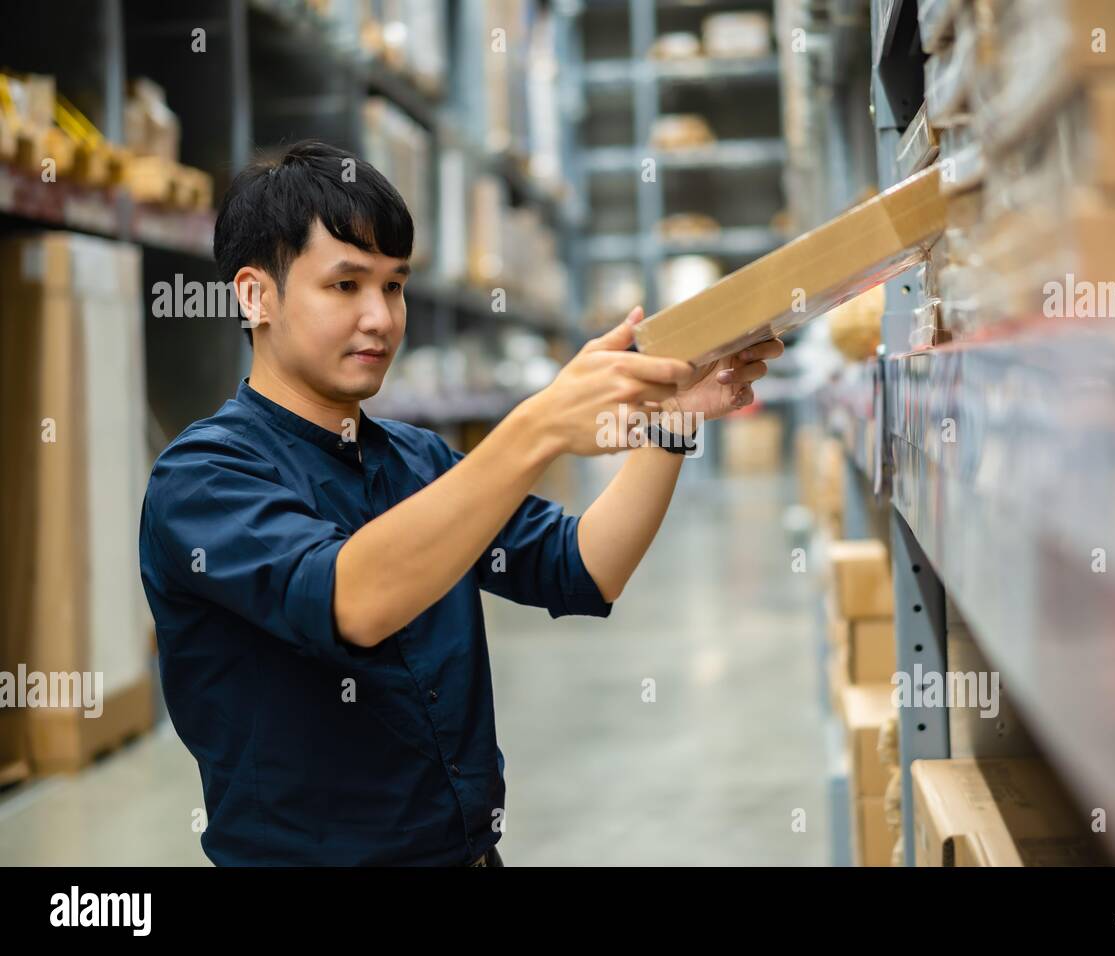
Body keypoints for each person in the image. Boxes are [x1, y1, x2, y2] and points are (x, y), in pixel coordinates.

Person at [137, 140, 783, 866]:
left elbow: (583, 566)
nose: (381, 319)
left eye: (394, 285)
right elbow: (352, 599)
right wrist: (534, 430)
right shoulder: (204, 478)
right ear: (255, 296)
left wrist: (670, 422)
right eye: (346, 286)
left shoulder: (416, 460)